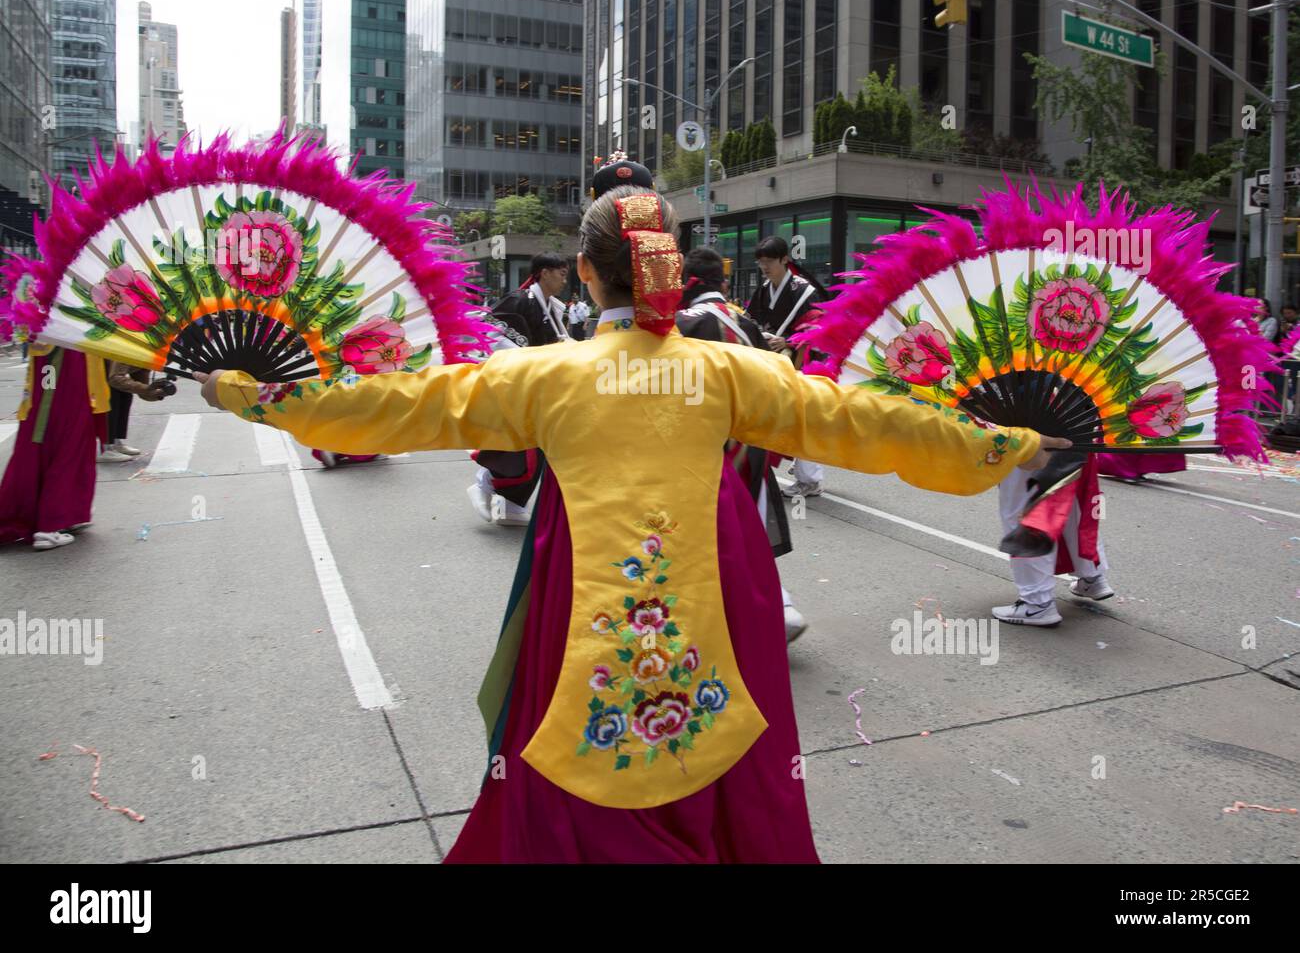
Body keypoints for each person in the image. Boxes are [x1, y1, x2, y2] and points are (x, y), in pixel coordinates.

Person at [196, 183, 1067, 863]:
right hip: (723, 571)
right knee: (722, 728)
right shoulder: (731, 370)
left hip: (587, 572)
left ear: (585, 271)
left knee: (582, 715)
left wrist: (251, 391)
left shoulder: (542, 376)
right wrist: (1016, 443)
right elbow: (867, 420)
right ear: (673, 269)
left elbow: (394, 404)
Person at [676, 247, 808, 643]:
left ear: (688, 284)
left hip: (701, 448)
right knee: (749, 526)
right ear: (723, 282)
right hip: (749, 445)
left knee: (705, 535)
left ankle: (716, 618)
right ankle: (776, 604)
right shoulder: (746, 322)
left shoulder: (682, 324)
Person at [468, 252, 571, 525]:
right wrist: (526, 359)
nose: (564, 279)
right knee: (521, 446)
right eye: (560, 272)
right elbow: (489, 332)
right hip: (518, 383)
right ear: (544, 272)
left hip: (540, 386)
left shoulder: (553, 306)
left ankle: (511, 504)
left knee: (537, 446)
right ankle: (485, 481)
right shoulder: (519, 300)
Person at [0, 345, 110, 550]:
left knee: (46, 437)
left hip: (52, 364)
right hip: (64, 359)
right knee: (68, 441)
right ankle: (51, 523)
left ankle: (67, 512)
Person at [744, 236, 828, 497]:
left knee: (802, 418)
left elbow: (818, 327)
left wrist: (789, 340)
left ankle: (810, 479)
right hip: (773, 362)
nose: (765, 267)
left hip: (800, 362)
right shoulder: (763, 290)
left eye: (769, 261)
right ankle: (804, 469)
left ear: (784, 260)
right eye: (761, 263)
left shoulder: (804, 291)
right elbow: (751, 320)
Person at [994, 455, 1112, 627]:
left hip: (1031, 439)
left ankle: (1037, 603)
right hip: (1077, 438)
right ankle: (1092, 578)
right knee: (1074, 504)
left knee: (1026, 509)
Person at [99, 360, 172, 462]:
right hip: (97, 369)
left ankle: (115, 442)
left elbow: (143, 391)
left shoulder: (146, 359)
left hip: (109, 373)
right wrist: (147, 388)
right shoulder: (131, 350)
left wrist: (159, 393)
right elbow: (115, 379)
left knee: (125, 393)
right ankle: (104, 448)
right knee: (111, 397)